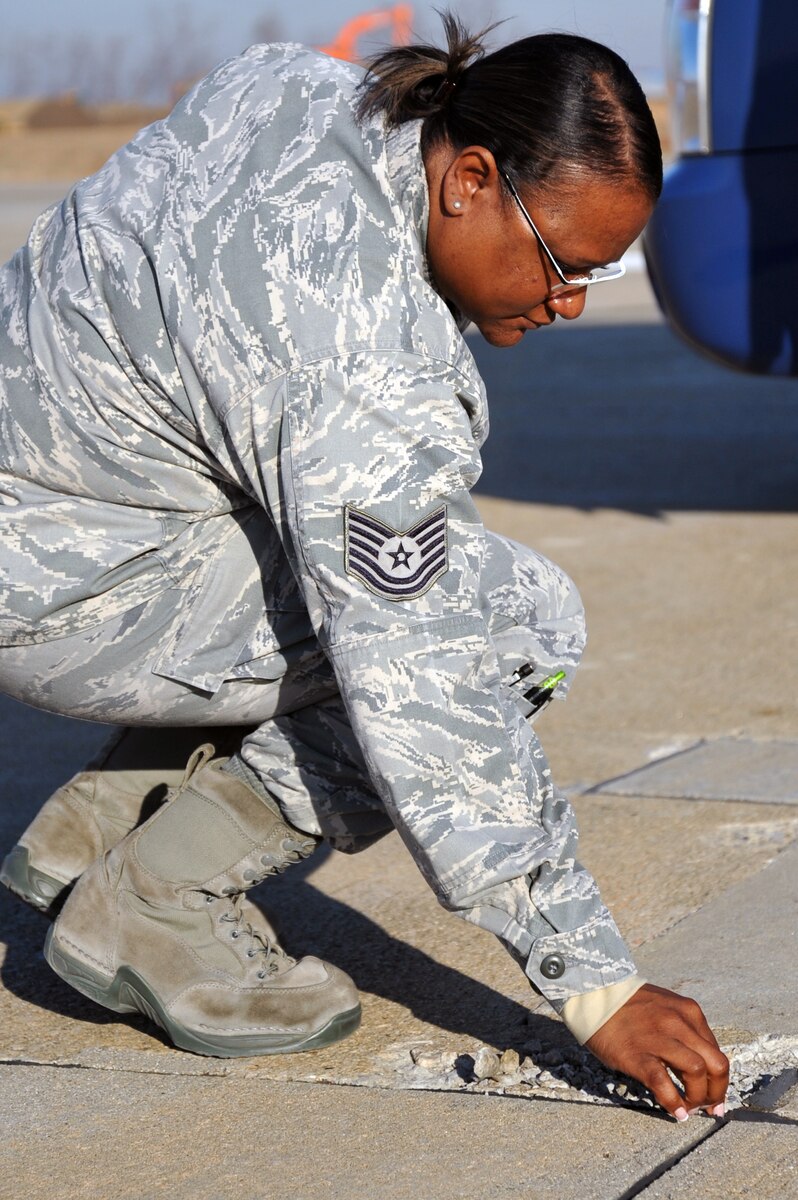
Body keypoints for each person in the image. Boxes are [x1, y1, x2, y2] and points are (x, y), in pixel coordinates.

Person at [0, 14, 728, 1115]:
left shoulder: (295, 89)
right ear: (469, 180)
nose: (572, 300)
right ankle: (154, 897)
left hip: (61, 510)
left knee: (303, 534)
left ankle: (104, 817)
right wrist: (594, 983)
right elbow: (425, 668)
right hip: (67, 590)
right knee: (517, 624)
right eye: (564, 259)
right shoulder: (363, 357)